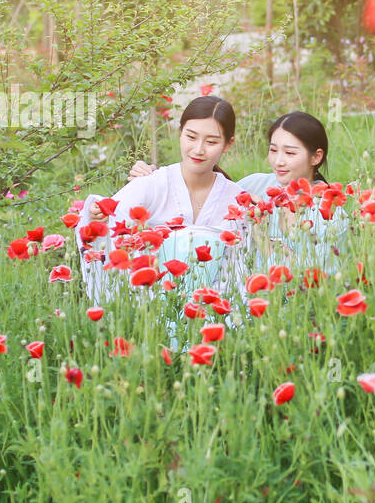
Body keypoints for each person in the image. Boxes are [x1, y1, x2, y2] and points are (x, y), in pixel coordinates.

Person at [101, 110, 351, 280]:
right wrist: (154, 179)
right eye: (273, 150)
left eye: (290, 153)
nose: (279, 161)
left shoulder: (331, 214)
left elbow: (316, 279)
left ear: (316, 157)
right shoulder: (256, 185)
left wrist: (263, 236)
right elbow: (212, 191)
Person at [75, 96, 251, 336]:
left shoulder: (237, 198)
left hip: (217, 318)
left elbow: (244, 264)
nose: (198, 149)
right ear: (179, 133)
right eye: (191, 137)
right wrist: (98, 216)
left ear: (228, 144)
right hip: (151, 313)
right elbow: (110, 225)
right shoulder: (152, 184)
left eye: (211, 141)